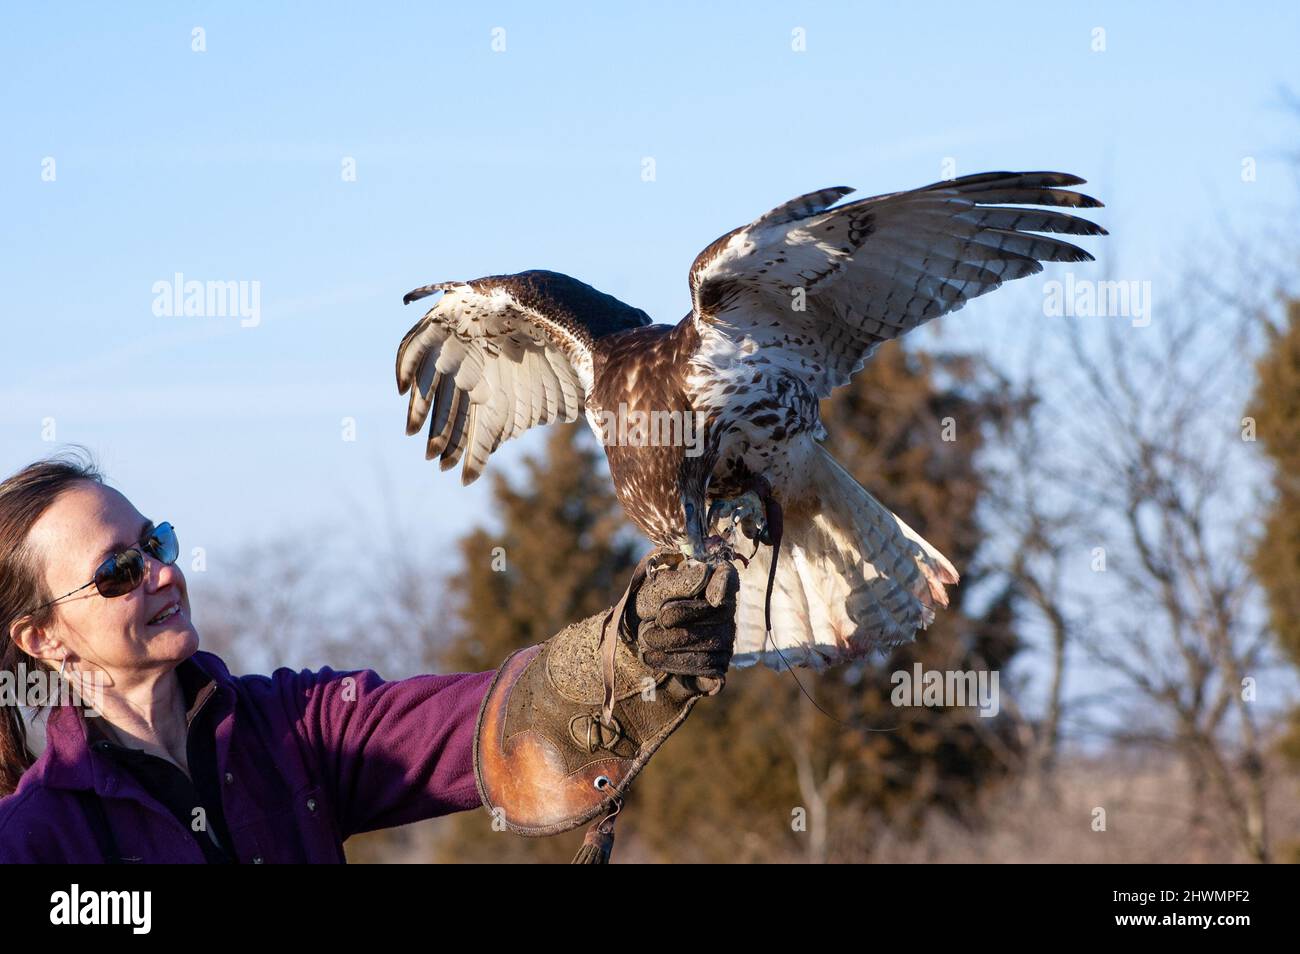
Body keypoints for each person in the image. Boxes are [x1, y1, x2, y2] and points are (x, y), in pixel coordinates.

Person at [0, 449, 738, 863]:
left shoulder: (293, 727)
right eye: (118, 572)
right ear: (43, 638)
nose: (161, 572)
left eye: (154, 543)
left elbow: (474, 723)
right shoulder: (38, 839)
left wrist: (617, 662)